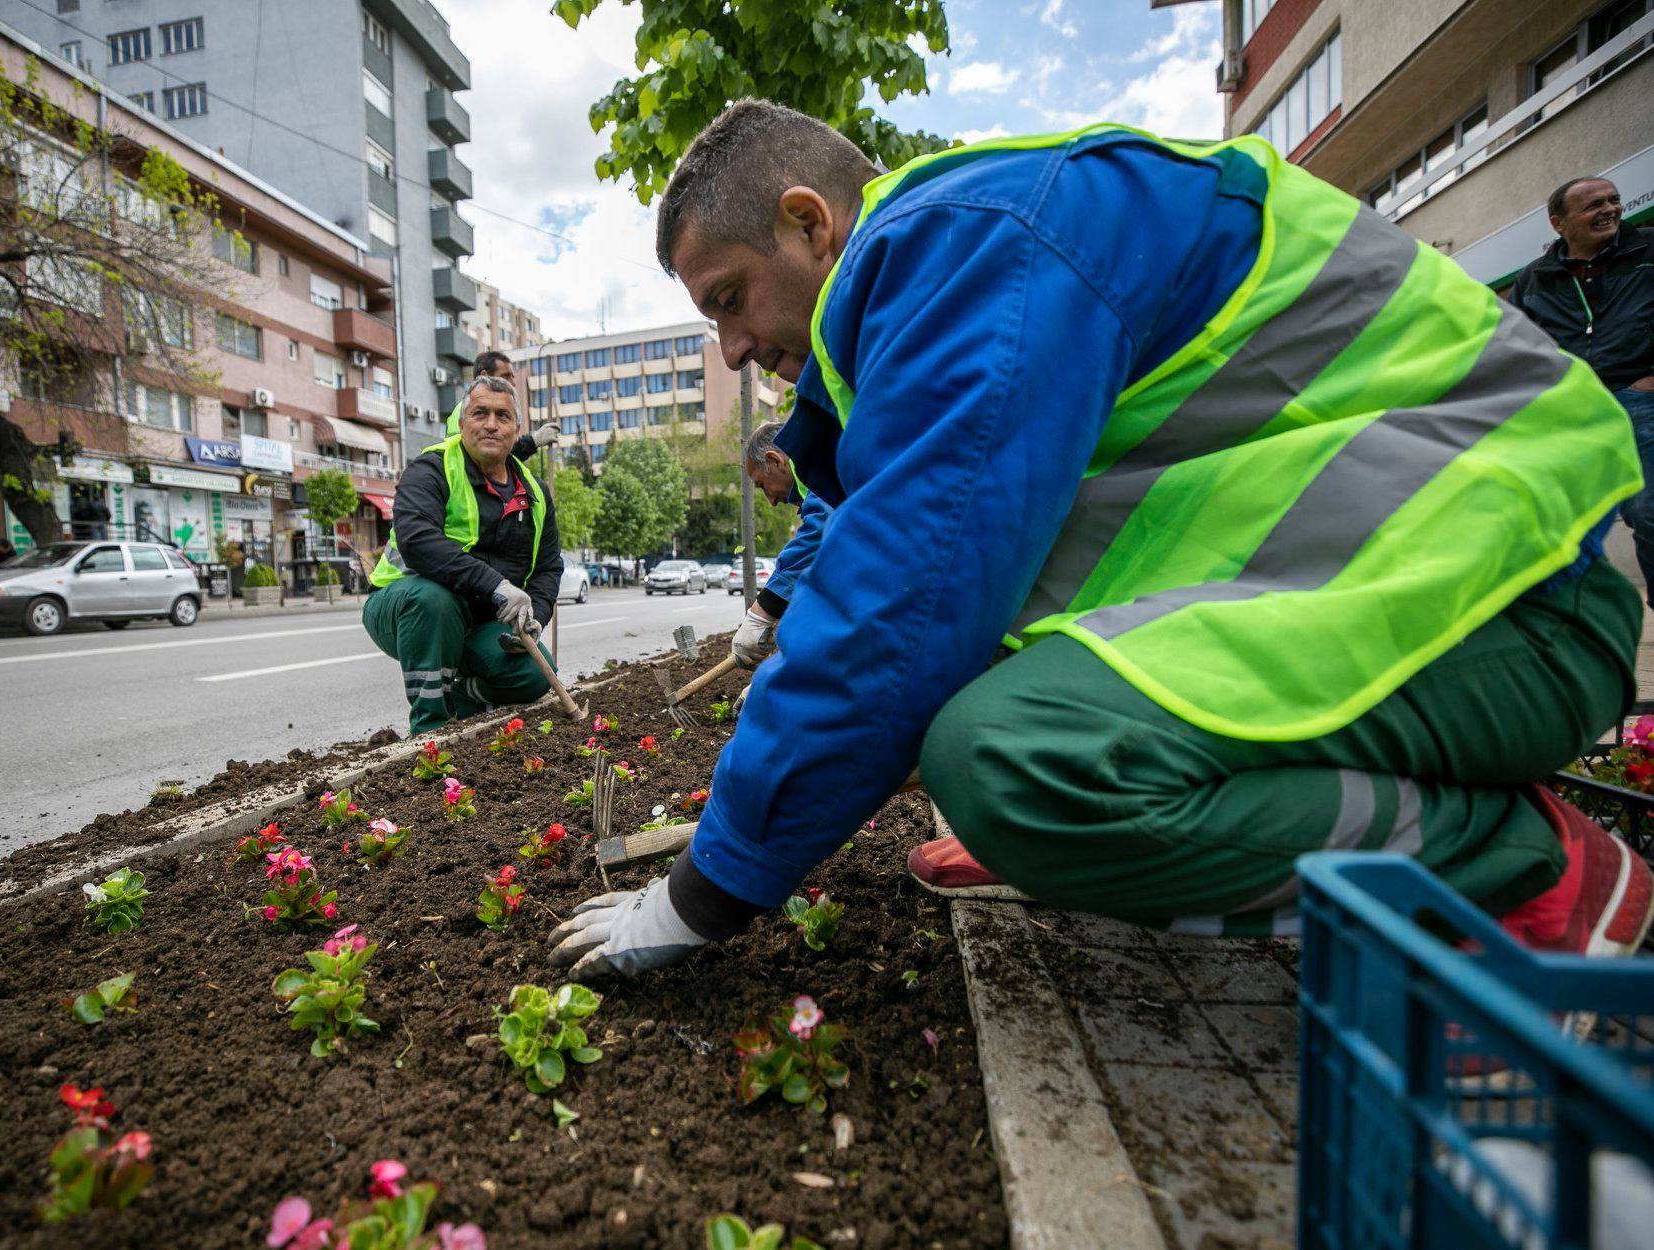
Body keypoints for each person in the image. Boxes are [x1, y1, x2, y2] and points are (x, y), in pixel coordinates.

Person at [547, 103, 1650, 981]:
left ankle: (1518, 871)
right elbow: (961, 562)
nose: (735, 346)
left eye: (731, 299)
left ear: (809, 221)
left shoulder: (959, 248)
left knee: (1017, 764)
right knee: (1012, 758)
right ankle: (1093, 819)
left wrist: (708, 885)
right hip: (1441, 594)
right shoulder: (973, 249)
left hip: (1519, 598)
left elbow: (905, 615)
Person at [364, 375, 563, 734]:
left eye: (502, 417)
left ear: (516, 430)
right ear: (461, 423)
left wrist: (536, 618)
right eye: (480, 413)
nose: (491, 424)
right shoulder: (431, 470)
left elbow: (549, 566)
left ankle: (457, 701)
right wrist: (496, 585)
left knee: (535, 674)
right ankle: (428, 729)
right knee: (433, 598)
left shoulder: (534, 491)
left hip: (478, 621)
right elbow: (418, 541)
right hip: (405, 608)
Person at [1512, 177, 1654, 599]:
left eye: (1613, 200)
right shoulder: (1535, 277)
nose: (1608, 209)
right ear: (1559, 223)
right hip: (1568, 406)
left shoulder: (1647, 251)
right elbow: (1519, 343)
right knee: (1562, 516)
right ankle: (1568, 615)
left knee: (1648, 510)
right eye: (1593, 205)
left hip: (1637, 394)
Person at [730, 420, 832, 670]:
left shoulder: (818, 467)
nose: (772, 501)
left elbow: (819, 533)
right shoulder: (821, 456)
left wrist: (762, 612)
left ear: (775, 460)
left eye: (763, 486)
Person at [446, 350, 562, 461]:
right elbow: (488, 455)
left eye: (503, 416)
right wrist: (532, 442)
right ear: (484, 376)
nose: (513, 383)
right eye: (506, 376)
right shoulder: (466, 410)